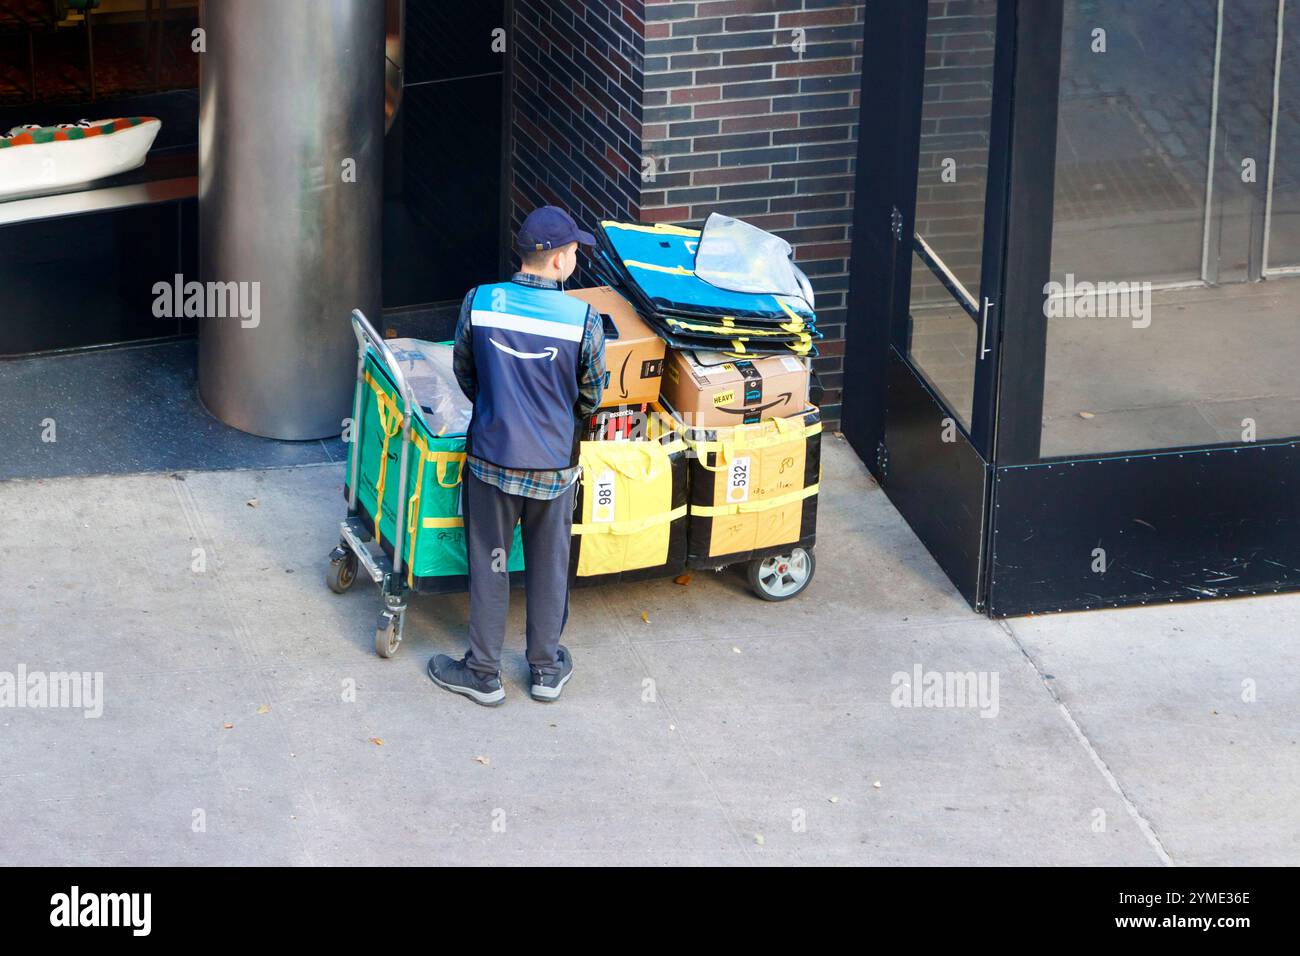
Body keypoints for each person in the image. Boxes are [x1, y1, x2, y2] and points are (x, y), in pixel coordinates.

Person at [428, 206, 606, 706]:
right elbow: (591, 395)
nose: (575, 259)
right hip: (554, 467)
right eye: (573, 252)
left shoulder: (479, 301)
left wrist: (497, 407)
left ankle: (483, 673)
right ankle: (546, 670)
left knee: (491, 562)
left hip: (490, 459)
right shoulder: (583, 319)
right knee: (550, 564)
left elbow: (465, 370)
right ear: (554, 261)